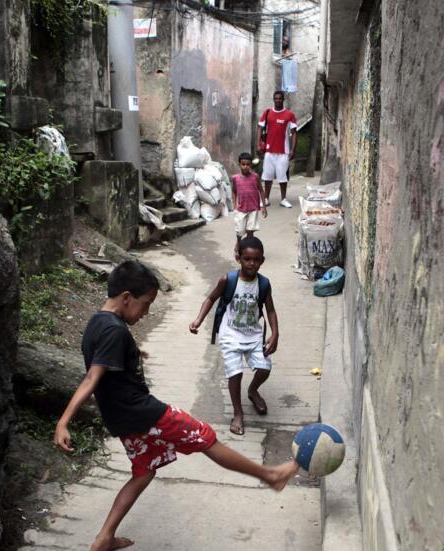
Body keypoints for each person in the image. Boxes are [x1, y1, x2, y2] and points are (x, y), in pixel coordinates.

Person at [54, 260, 298, 551]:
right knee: (205, 437)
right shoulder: (114, 331)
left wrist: (133, 353)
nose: (146, 313)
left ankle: (104, 537)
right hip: (143, 413)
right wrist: (63, 421)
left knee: (144, 470)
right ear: (127, 298)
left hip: (121, 417)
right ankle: (270, 475)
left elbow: (106, 360)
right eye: (145, 304)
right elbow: (93, 376)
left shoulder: (98, 322)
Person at [189, 237, 278, 436]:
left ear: (262, 260)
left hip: (253, 334)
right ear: (239, 258)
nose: (251, 264)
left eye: (256, 260)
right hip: (230, 334)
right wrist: (198, 320)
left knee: (264, 368)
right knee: (235, 373)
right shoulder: (228, 280)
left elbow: (270, 310)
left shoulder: (263, 284)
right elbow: (211, 298)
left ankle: (253, 390)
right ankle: (238, 413)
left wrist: (275, 333)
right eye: (247, 259)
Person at [257, 90, 298, 208]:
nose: (278, 100)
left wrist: (293, 150)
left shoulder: (289, 115)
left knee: (282, 177)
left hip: (283, 152)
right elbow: (260, 128)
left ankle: (283, 199)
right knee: (267, 176)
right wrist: (258, 144)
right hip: (269, 151)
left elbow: (294, 132)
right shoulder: (267, 113)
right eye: (276, 98)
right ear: (273, 99)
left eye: (280, 98)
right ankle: (266, 199)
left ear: (283, 100)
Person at [231, 152, 267, 244]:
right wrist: (234, 205)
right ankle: (238, 244)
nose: (245, 166)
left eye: (248, 164)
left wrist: (263, 206)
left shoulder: (255, 177)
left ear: (251, 165)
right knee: (239, 231)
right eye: (243, 164)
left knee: (250, 231)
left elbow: (261, 190)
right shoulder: (235, 178)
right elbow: (234, 191)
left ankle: (248, 247)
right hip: (240, 208)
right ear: (239, 165)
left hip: (253, 208)